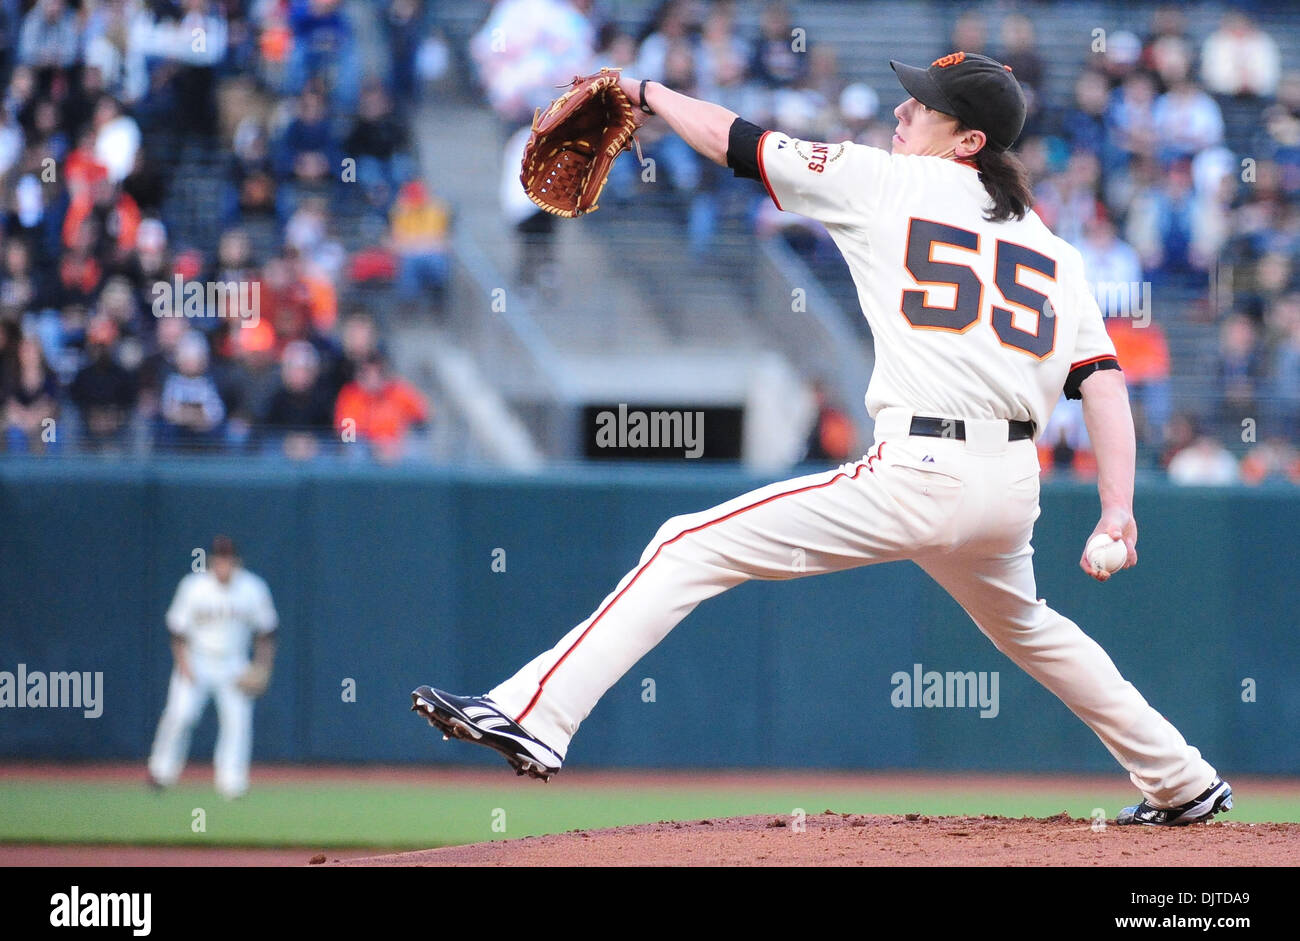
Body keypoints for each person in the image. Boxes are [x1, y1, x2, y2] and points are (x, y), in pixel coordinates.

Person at [412, 52, 1231, 827]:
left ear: (970, 140)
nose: (904, 108)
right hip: (1012, 486)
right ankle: (1183, 780)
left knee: (685, 543)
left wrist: (648, 92)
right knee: (1033, 629)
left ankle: (532, 712)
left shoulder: (884, 180)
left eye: (925, 105)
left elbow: (735, 141)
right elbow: (1103, 385)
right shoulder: (1054, 252)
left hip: (922, 468)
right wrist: (1117, 508)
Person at [147, 536, 279, 800]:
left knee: (238, 722)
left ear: (237, 562)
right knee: (180, 715)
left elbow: (267, 632)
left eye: (228, 559)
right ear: (210, 561)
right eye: (219, 559)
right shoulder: (194, 587)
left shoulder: (253, 588)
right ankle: (161, 772)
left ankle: (232, 782)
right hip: (197, 658)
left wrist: (262, 668)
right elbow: (177, 631)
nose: (224, 564)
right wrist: (184, 665)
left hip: (234, 661)